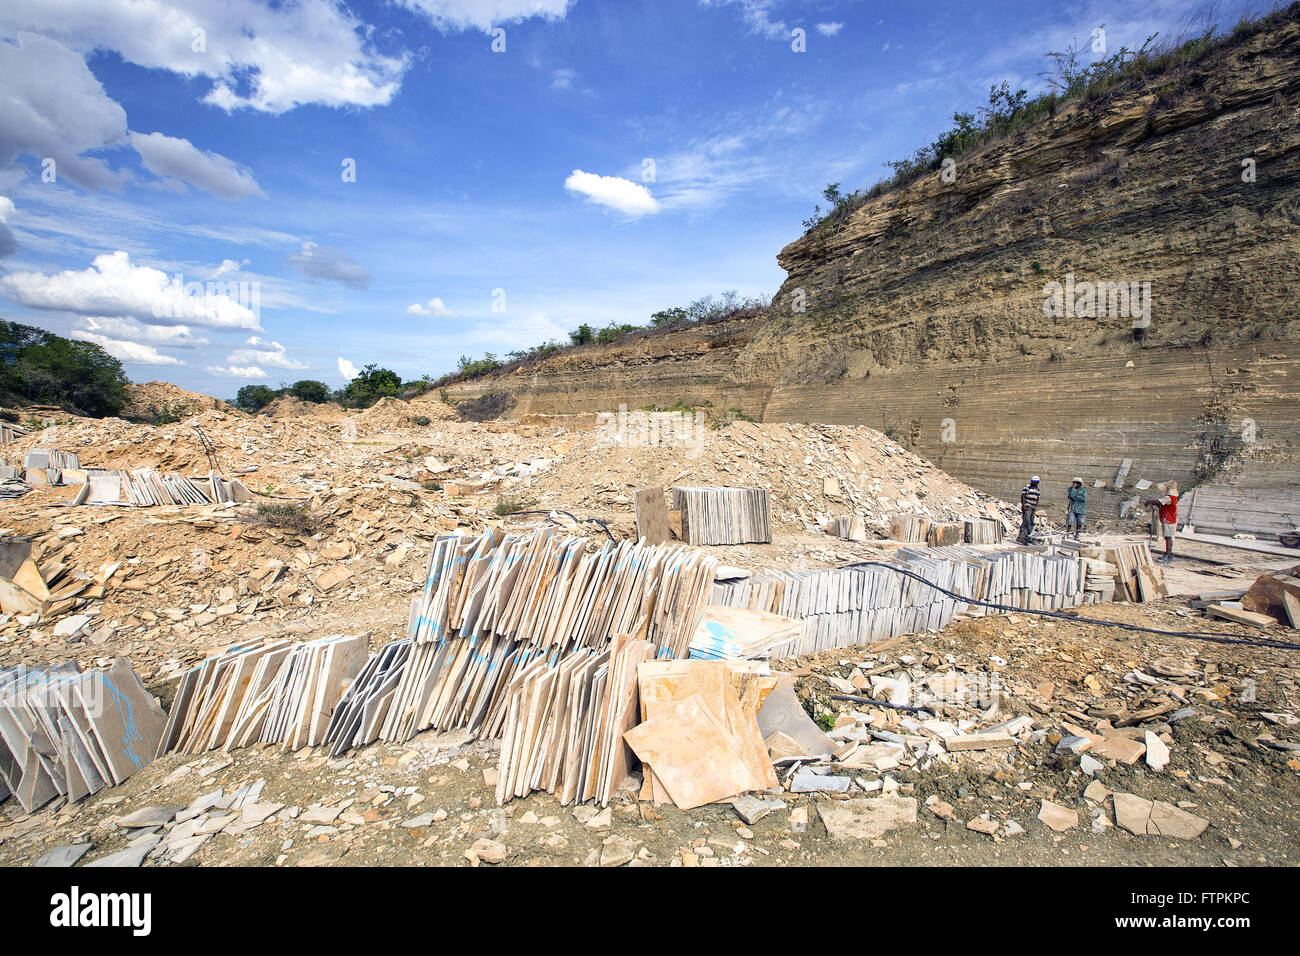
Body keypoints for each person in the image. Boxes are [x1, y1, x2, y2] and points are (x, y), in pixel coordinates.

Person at [1143, 483, 1179, 562]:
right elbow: (1160, 504)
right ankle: (1168, 554)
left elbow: (1158, 502)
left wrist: (1149, 502)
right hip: (1169, 520)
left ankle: (1168, 555)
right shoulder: (1172, 498)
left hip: (1169, 520)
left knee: (1168, 538)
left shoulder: (1169, 498)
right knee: (1168, 538)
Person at [1018, 475, 1041, 544]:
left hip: (1033, 507)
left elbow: (1037, 497)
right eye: (1034, 482)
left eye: (1037, 482)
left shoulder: (1038, 489)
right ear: (1031, 481)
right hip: (1028, 506)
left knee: (1031, 523)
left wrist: (1036, 505)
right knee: (1026, 522)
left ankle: (1027, 536)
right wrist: (1023, 506)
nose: (1036, 484)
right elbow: (1023, 496)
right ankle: (1021, 537)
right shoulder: (1027, 487)